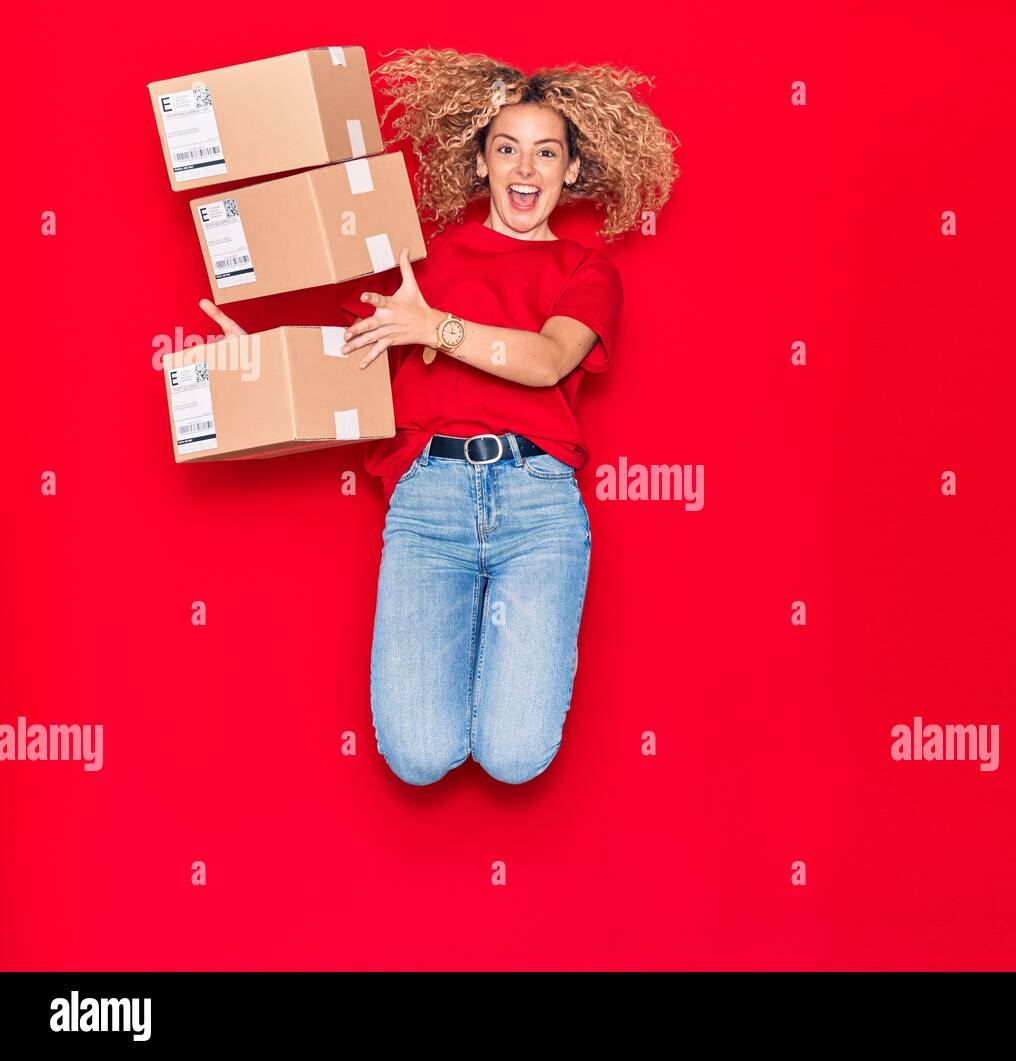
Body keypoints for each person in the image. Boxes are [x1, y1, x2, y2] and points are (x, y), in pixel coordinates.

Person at [199, 47, 679, 786]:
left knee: (515, 758)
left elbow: (549, 360)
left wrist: (438, 330)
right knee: (418, 758)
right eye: (507, 149)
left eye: (546, 153)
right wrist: (259, 368)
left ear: (572, 171)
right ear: (480, 162)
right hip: (428, 506)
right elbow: (343, 366)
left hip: (538, 504)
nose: (526, 169)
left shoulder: (588, 272)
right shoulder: (415, 263)